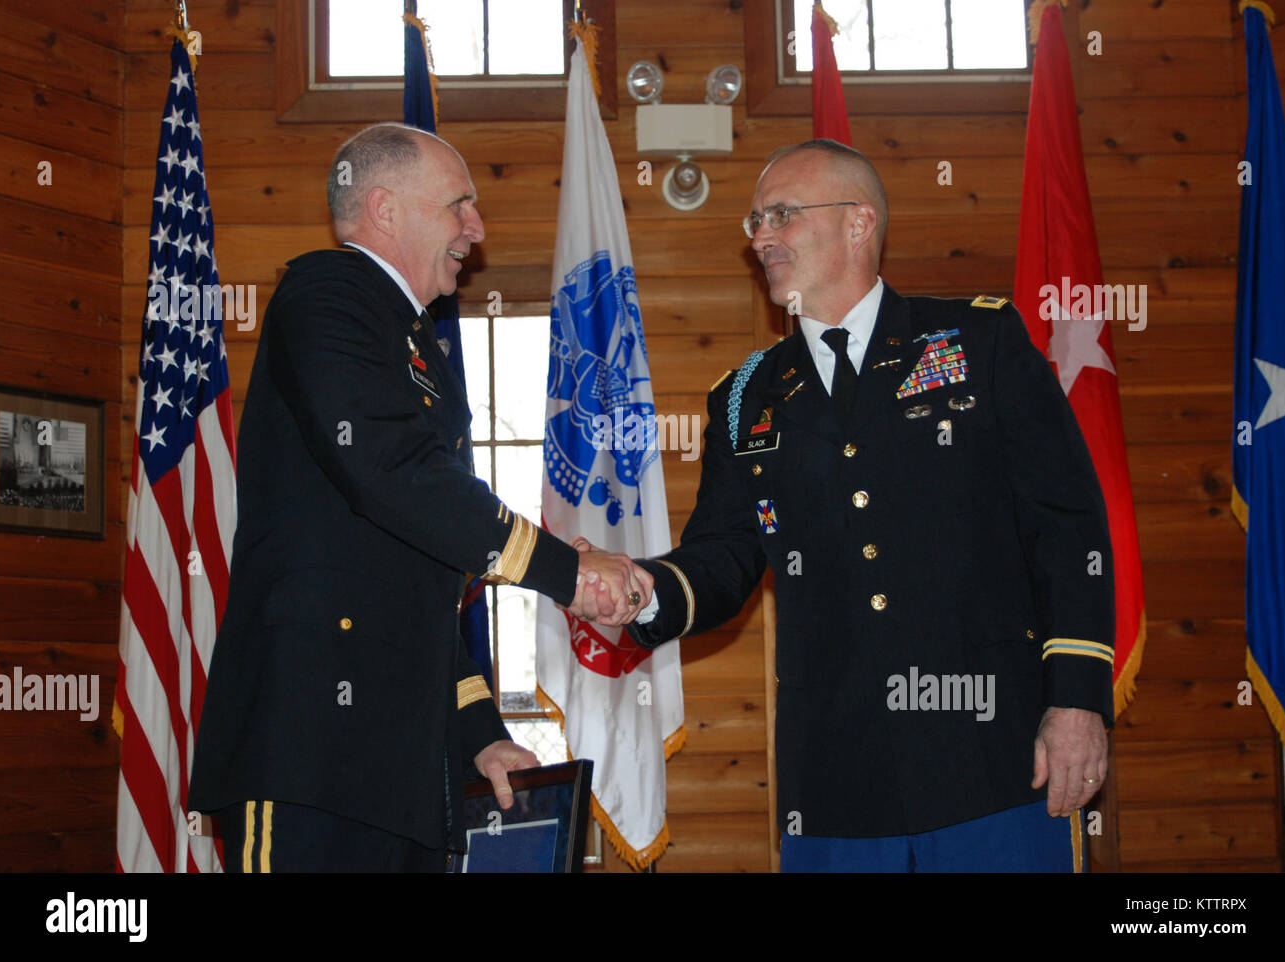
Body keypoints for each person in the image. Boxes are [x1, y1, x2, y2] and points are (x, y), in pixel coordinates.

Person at [618, 139, 1116, 872]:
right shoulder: (744, 397)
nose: (760, 236)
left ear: (859, 222)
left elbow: (1067, 529)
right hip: (834, 782)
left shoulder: (979, 340)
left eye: (782, 214)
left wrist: (1077, 700)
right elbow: (723, 556)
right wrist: (641, 589)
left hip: (994, 757)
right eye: (755, 219)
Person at [188, 123, 652, 872]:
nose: (477, 228)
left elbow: (422, 586)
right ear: (385, 209)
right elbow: (388, 470)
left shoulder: (414, 342)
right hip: (311, 752)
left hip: (403, 773)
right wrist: (568, 573)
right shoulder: (326, 293)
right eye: (459, 206)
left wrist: (478, 734)